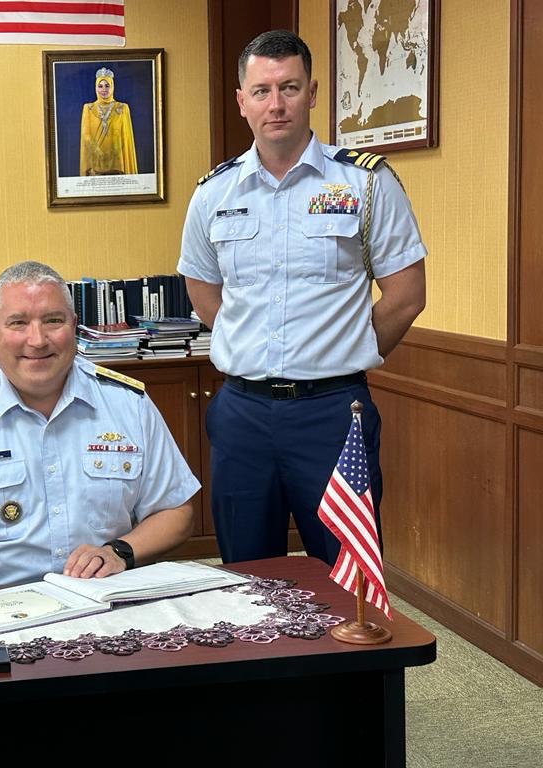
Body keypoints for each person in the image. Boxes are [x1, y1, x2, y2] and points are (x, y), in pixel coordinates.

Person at [177, 30, 426, 566]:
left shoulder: (365, 183)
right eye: (262, 90)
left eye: (289, 87)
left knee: (349, 574)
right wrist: (248, 348)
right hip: (242, 411)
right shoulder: (214, 193)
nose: (276, 103)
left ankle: (364, 656)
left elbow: (406, 295)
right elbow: (202, 289)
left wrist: (341, 352)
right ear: (241, 101)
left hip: (332, 413)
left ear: (312, 92)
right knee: (248, 576)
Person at [0, 261, 200, 607]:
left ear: (74, 327)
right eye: (18, 323)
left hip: (104, 602)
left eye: (53, 321)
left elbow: (176, 511)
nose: (37, 340)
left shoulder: (128, 405)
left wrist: (120, 552)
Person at [79, 67, 137, 176]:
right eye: (100, 86)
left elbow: (126, 137)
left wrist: (114, 151)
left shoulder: (122, 108)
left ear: (112, 86)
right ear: (96, 87)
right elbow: (85, 134)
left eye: (107, 86)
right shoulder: (88, 108)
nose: (104, 89)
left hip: (117, 165)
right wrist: (96, 149)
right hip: (95, 164)